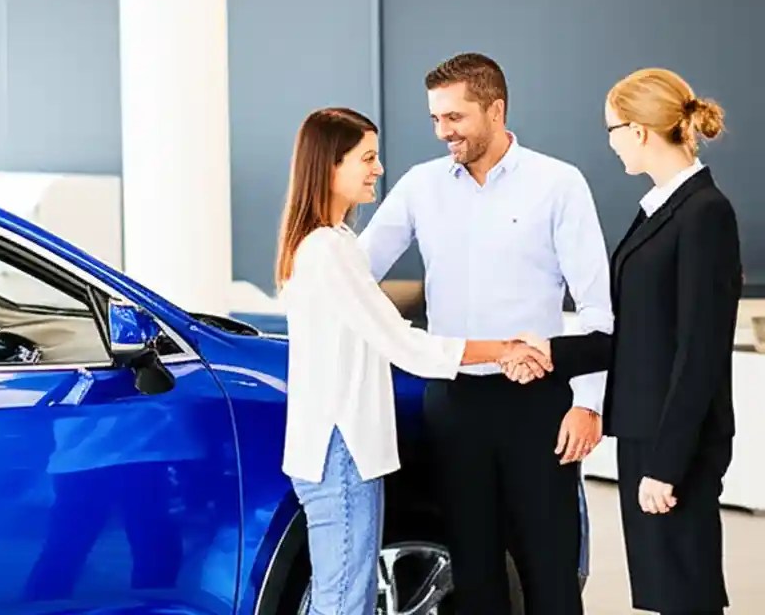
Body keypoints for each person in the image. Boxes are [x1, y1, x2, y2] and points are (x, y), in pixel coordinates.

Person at [357, 53, 613, 615]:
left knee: (550, 569)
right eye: (435, 119)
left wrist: (588, 405)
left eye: (455, 117)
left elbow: (597, 307)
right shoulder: (421, 186)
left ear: (495, 109)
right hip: (453, 402)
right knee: (472, 574)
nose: (443, 131)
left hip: (538, 405)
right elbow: (354, 272)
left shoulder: (558, 183)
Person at [275, 106, 550, 615]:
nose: (378, 169)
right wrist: (503, 349)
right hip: (341, 449)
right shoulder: (326, 251)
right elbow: (402, 343)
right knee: (343, 602)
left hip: (340, 449)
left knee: (344, 596)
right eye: (368, 158)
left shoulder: (330, 244)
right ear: (330, 166)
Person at [512, 67, 740, 615]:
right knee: (667, 594)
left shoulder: (705, 213)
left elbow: (700, 352)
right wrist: (551, 351)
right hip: (647, 433)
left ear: (639, 130)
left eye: (612, 130)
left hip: (673, 441)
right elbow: (637, 333)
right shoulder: (658, 209)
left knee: (687, 593)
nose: (611, 144)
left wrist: (666, 464)